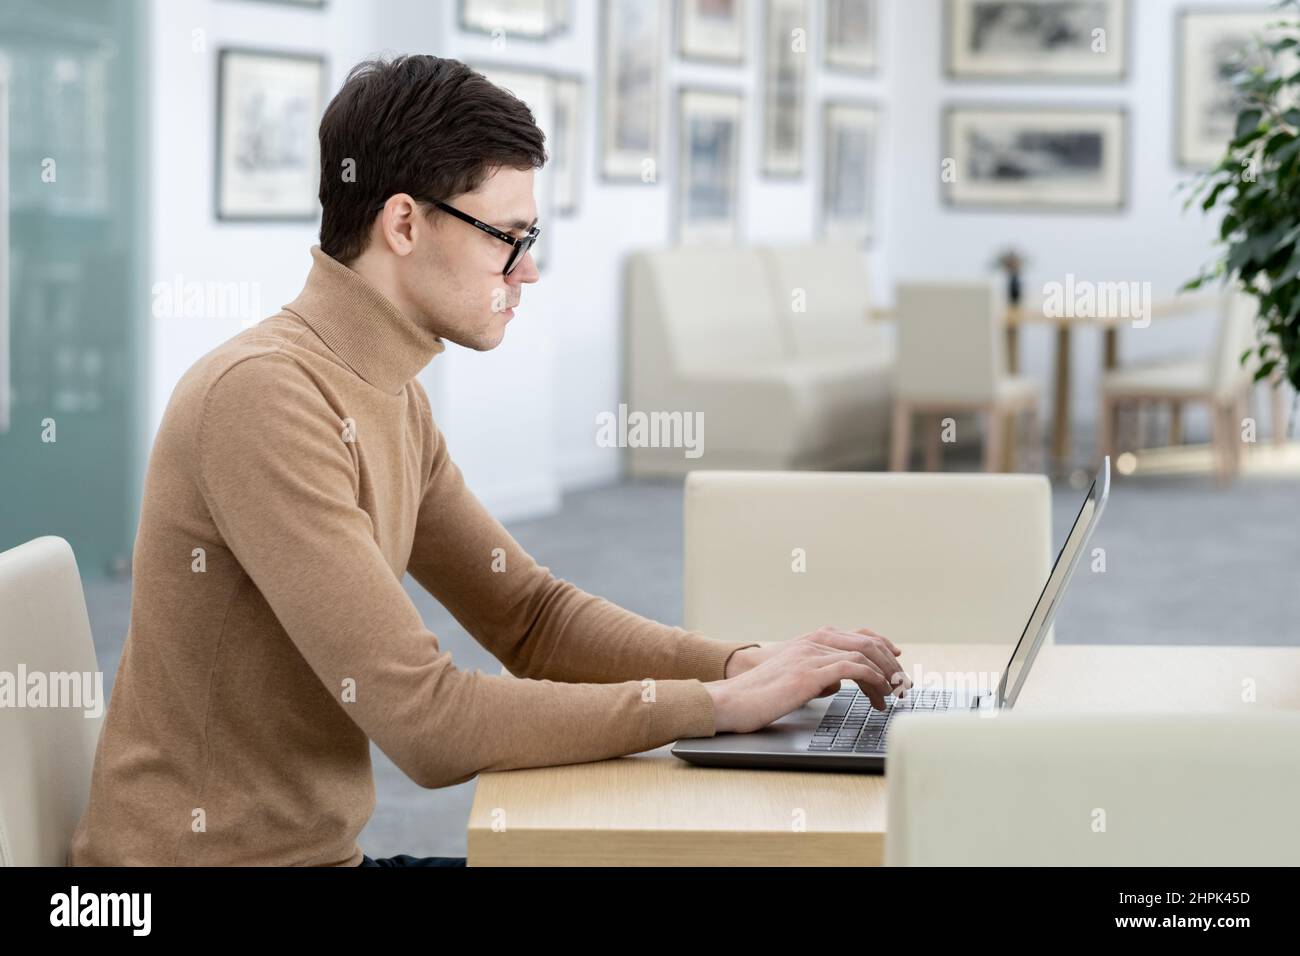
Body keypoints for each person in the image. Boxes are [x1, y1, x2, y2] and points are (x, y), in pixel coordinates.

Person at [68, 55, 909, 868]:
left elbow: (528, 616)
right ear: (404, 223)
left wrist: (738, 666)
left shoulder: (388, 390)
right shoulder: (262, 399)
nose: (528, 270)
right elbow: (425, 722)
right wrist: (712, 708)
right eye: (507, 237)